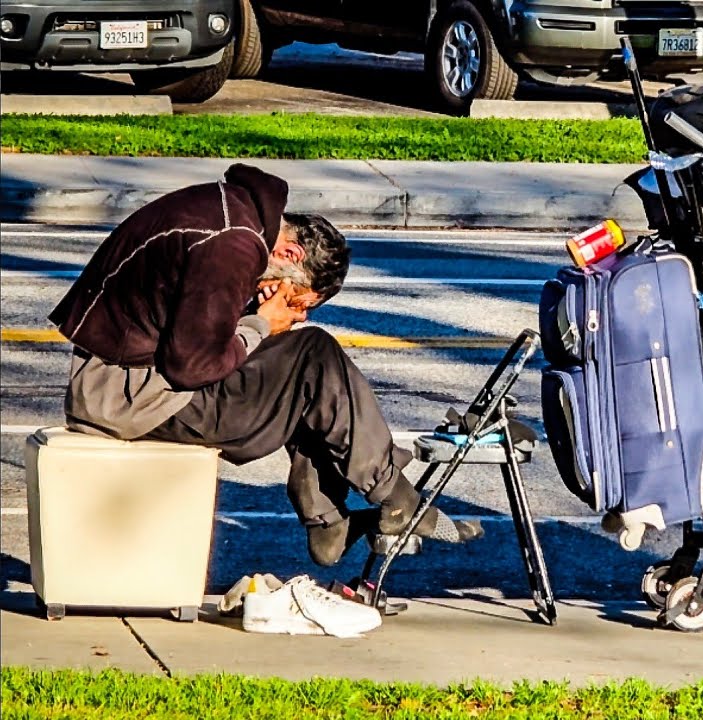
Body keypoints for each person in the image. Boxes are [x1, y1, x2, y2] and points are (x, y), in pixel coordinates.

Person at [49, 163, 481, 567]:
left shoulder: (231, 217)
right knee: (312, 353)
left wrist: (257, 321)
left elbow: (190, 328)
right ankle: (393, 497)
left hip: (125, 383)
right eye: (298, 300)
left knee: (296, 370)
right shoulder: (233, 246)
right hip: (131, 398)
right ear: (290, 254)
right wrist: (261, 324)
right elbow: (193, 366)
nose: (295, 312)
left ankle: (330, 521)